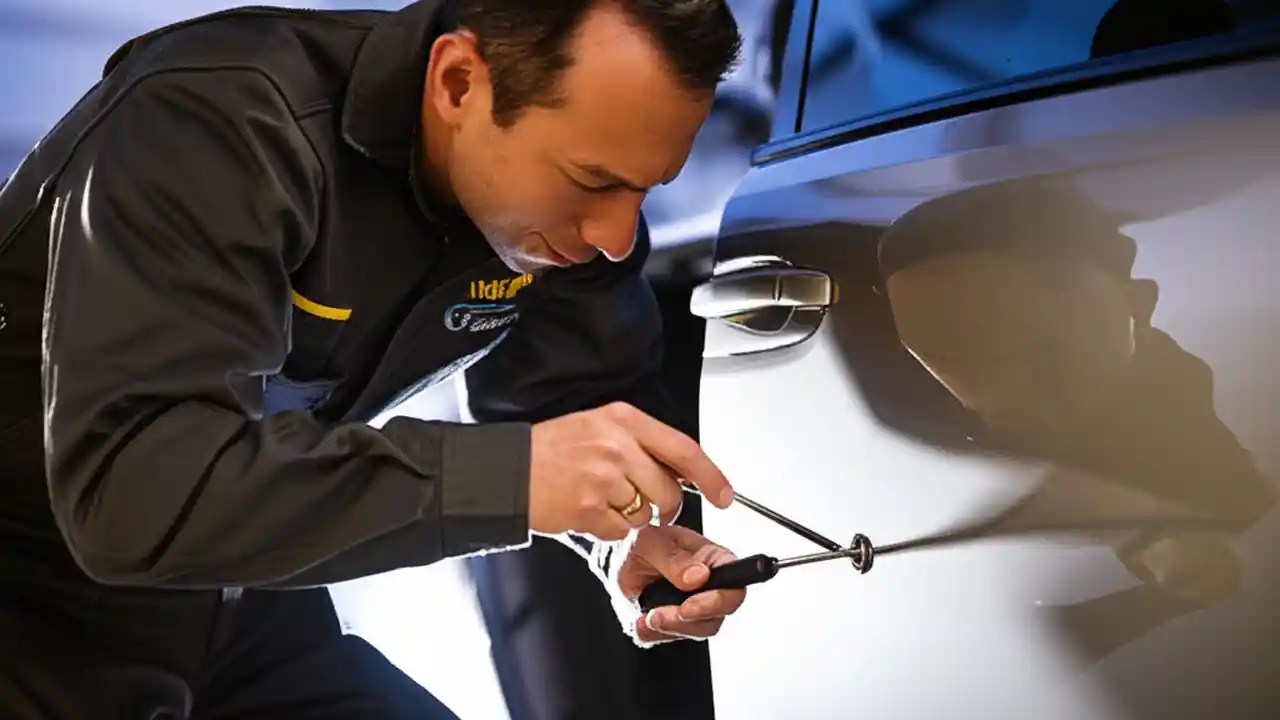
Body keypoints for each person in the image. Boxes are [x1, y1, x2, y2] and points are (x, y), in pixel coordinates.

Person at [0, 1, 751, 717]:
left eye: (645, 190)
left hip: (241, 591)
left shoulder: (564, 212)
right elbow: (133, 492)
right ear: (458, 82)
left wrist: (620, 535)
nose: (619, 237)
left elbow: (575, 405)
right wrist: (509, 477)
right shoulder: (220, 122)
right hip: (36, 597)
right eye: (594, 181)